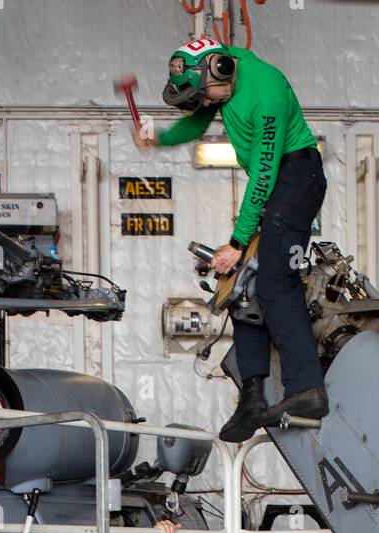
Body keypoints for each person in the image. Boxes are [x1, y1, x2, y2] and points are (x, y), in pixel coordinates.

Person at [134, 37, 327, 443]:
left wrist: (237, 243)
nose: (204, 102)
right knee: (244, 289)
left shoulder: (267, 92)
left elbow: (263, 176)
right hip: (276, 182)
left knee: (275, 284)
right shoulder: (221, 74)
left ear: (219, 70)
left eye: (205, 93)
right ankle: (253, 397)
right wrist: (160, 138)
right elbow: (199, 119)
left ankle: (306, 390)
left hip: (296, 176)